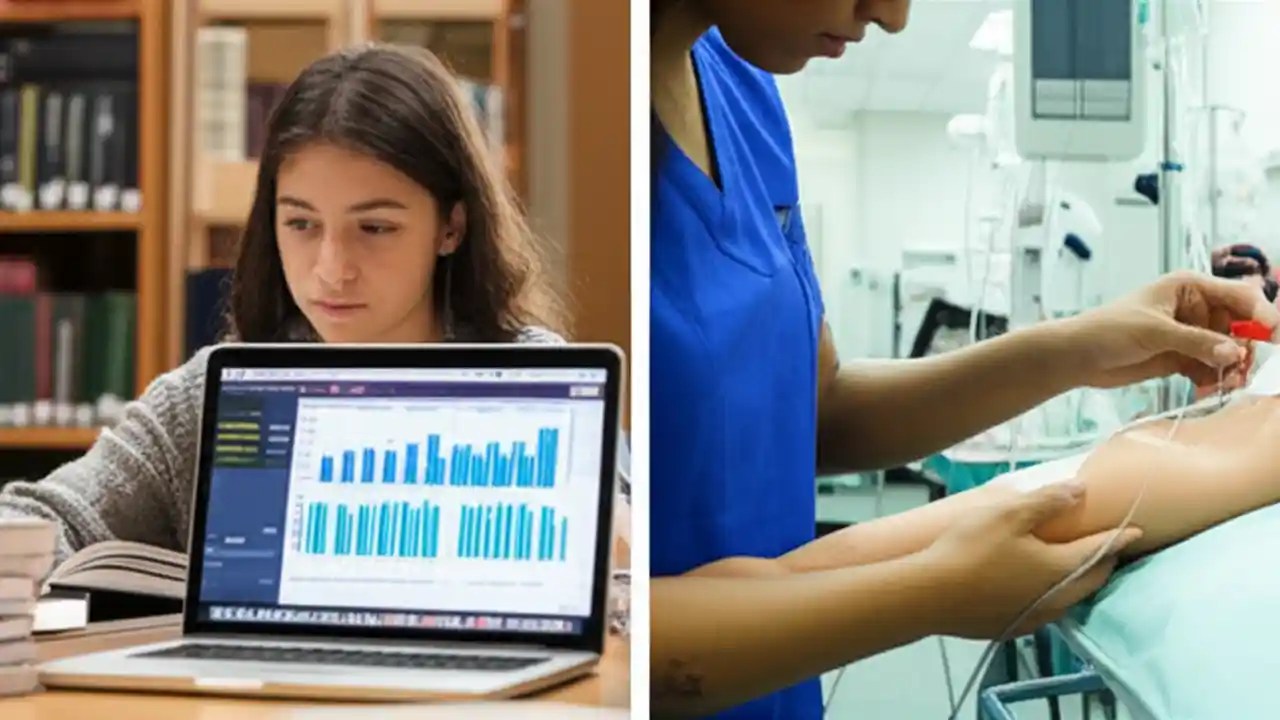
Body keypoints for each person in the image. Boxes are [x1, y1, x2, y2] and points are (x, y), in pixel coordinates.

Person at [648, 1, 1280, 717]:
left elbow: (813, 413)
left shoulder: (743, 88)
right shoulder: (570, 120)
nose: (892, 16)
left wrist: (1079, 345)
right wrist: (928, 592)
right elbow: (574, 627)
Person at [0, 44, 566, 564]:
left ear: (452, 227)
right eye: (300, 223)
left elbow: (617, 540)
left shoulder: (539, 378)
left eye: (374, 227)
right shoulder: (213, 395)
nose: (331, 268)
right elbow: (46, 518)